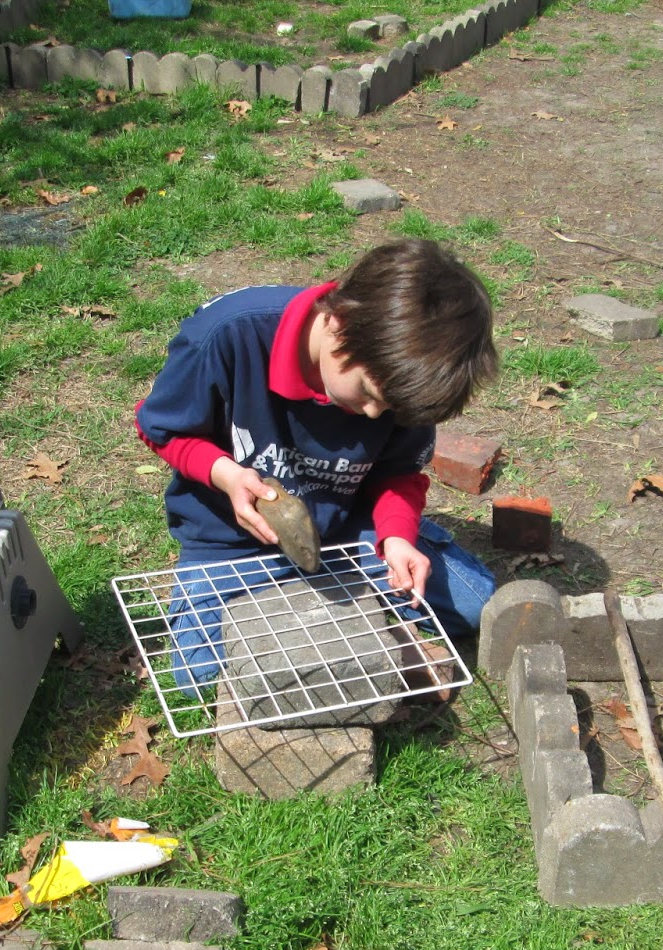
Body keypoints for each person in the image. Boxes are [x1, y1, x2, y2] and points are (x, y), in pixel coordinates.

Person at [133, 237, 499, 692]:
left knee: (474, 604)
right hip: (230, 539)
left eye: (388, 411)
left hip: (346, 531)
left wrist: (399, 539)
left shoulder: (403, 383)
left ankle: (369, 600)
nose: (372, 416)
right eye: (367, 393)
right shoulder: (227, 335)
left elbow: (399, 473)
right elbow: (162, 429)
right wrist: (225, 475)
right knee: (197, 679)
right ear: (337, 323)